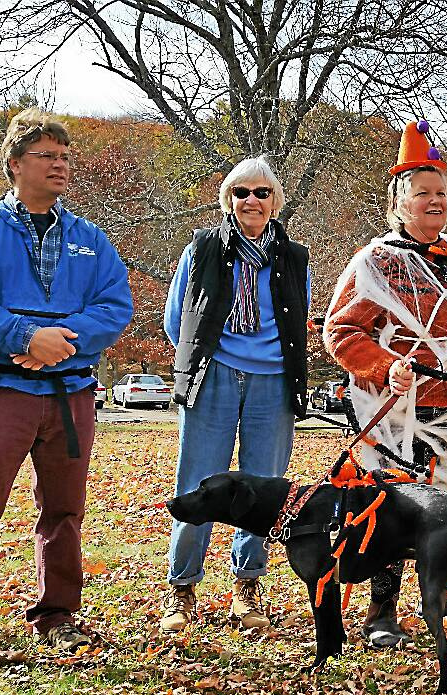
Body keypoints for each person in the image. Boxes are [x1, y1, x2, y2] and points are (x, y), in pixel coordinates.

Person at [0, 109, 133, 659]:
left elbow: (114, 306)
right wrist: (23, 337)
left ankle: (59, 614)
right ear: (15, 164)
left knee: (65, 510)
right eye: (48, 156)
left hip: (69, 394)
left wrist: (59, 340)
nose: (61, 165)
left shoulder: (89, 238)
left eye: (66, 157)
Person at [324, 120, 447, 648]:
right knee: (388, 514)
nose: (436, 202)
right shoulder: (375, 262)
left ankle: (439, 591)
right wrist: (385, 366)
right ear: (399, 201)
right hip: (396, 413)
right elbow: (340, 329)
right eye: (423, 193)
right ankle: (380, 611)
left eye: (442, 194)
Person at [160, 156, 311, 633]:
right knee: (199, 481)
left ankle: (248, 583)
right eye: (241, 192)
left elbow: (297, 320)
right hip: (215, 376)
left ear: (275, 202)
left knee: (263, 486)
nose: (251, 200)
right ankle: (182, 589)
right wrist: (204, 356)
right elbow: (176, 320)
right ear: (228, 198)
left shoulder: (294, 257)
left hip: (273, 382)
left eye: (261, 193)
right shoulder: (202, 247)